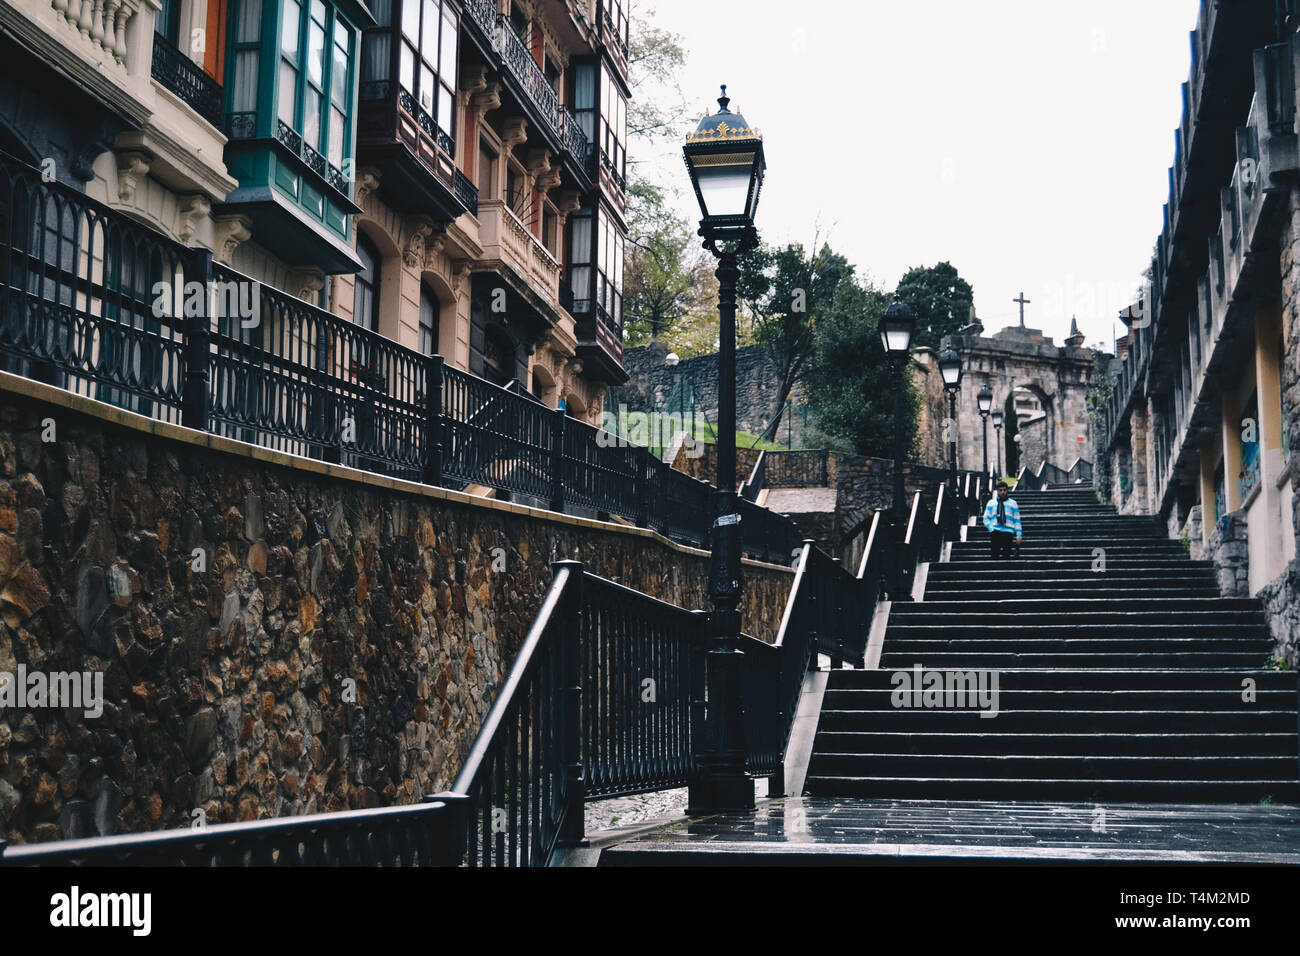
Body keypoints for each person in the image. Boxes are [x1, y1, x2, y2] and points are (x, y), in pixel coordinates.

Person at [983, 480, 1022, 559]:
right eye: (1000, 490)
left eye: (1004, 490)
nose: (1003, 492)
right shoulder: (991, 503)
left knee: (1006, 556)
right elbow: (985, 518)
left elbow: (1017, 520)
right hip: (995, 531)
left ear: (1007, 490)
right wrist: (991, 529)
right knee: (994, 555)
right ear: (997, 491)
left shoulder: (1013, 503)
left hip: (1008, 532)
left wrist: (1019, 535)